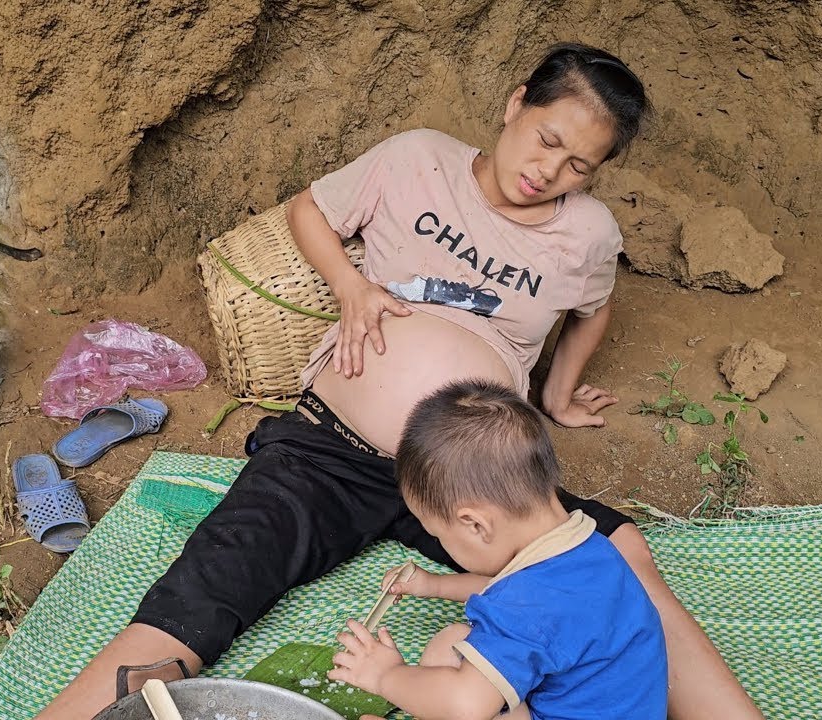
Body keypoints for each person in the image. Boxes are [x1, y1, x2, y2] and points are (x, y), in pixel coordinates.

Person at [39, 42, 763, 720]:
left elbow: (592, 312)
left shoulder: (589, 232)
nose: (551, 171)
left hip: (472, 474)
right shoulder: (418, 158)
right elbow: (309, 211)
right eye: (548, 139)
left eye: (579, 165)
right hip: (332, 453)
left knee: (613, 557)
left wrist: (558, 396)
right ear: (517, 104)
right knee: (210, 581)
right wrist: (351, 287)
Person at [329, 379, 666, 720]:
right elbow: (511, 591)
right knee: (454, 644)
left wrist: (387, 676)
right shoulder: (588, 547)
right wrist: (433, 585)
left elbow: (467, 707)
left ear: (476, 525)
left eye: (439, 535)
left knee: (447, 666)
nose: (439, 544)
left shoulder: (529, 609)